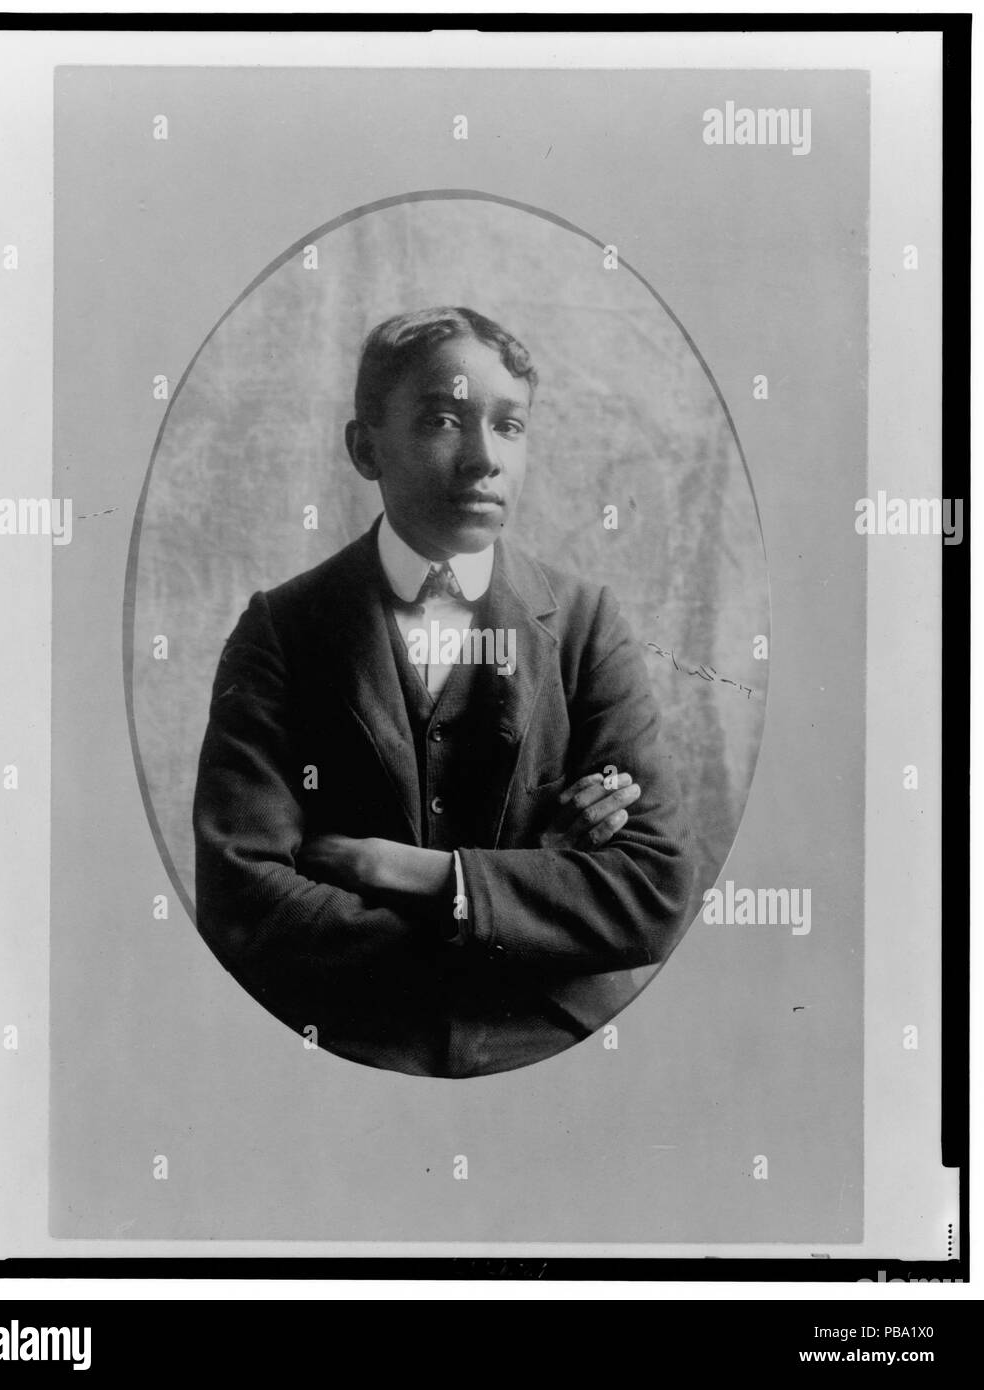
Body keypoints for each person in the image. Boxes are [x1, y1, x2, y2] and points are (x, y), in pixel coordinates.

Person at [192, 306, 694, 1078]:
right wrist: (528, 895)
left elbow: (656, 891)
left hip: (557, 1053)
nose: (483, 458)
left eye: (510, 426)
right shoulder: (284, 631)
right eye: (442, 419)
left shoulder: (587, 625)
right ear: (365, 448)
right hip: (353, 1052)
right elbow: (244, 905)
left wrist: (411, 872)